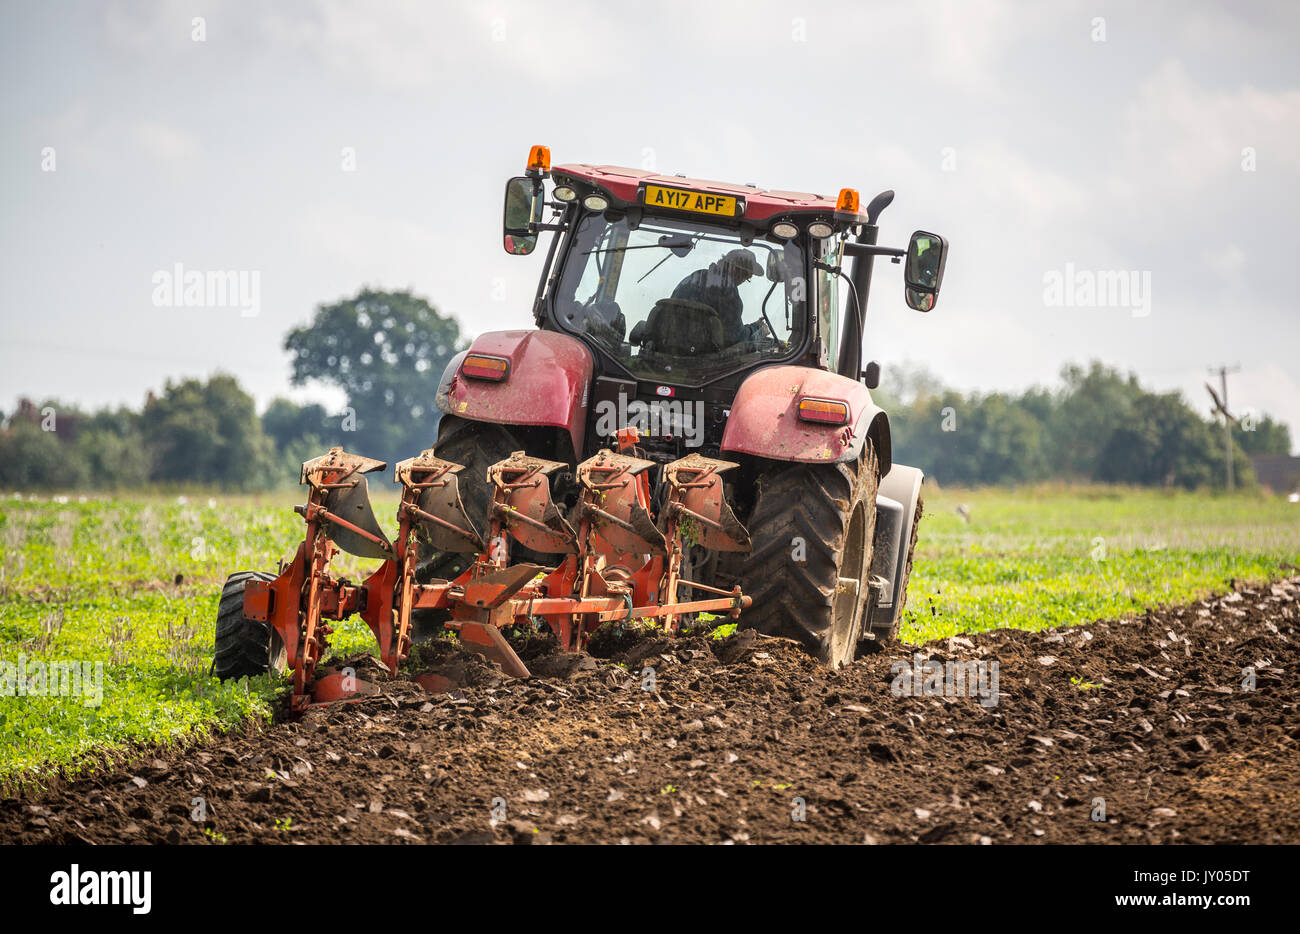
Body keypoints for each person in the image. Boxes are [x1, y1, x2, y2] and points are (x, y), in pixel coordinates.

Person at [669, 248, 764, 345]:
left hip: (671, 345)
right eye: (746, 277)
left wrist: (753, 326)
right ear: (735, 270)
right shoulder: (728, 292)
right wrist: (760, 330)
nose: (743, 281)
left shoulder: (695, 277)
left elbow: (729, 328)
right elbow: (735, 339)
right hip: (702, 355)